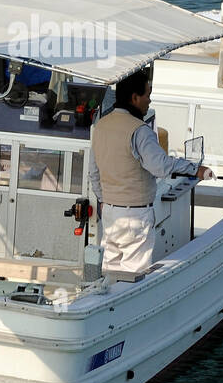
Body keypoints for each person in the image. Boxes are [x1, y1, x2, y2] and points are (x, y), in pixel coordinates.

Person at [87, 67, 213, 281]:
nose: (149, 101)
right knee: (132, 276)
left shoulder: (100, 126)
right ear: (134, 98)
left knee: (109, 275)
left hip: (109, 212)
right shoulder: (140, 130)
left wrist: (103, 200)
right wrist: (195, 169)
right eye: (147, 96)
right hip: (135, 215)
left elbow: (93, 173)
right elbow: (161, 167)